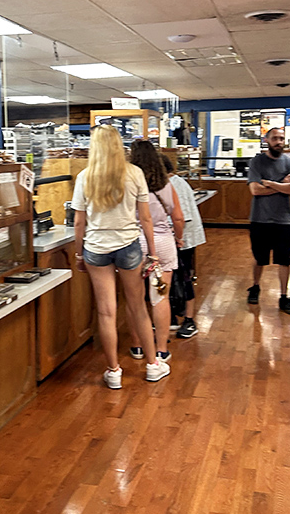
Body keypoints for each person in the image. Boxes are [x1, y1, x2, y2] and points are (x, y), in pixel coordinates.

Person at [72, 126, 170, 388]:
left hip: (96, 247)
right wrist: (153, 253)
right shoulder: (134, 173)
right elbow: (145, 218)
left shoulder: (84, 177)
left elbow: (79, 222)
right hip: (128, 246)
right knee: (138, 307)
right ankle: (152, 365)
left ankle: (113, 370)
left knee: (106, 312)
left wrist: (80, 254)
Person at [127, 141, 184, 362]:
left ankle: (137, 345)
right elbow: (178, 217)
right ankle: (161, 349)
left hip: (131, 242)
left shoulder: (127, 184)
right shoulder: (166, 186)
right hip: (162, 243)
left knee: (135, 299)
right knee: (160, 296)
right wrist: (178, 238)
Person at [246, 126, 290, 314]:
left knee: (284, 260)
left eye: (282, 138)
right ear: (267, 140)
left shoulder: (289, 163)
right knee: (259, 258)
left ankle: (284, 296)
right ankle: (255, 286)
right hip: (260, 219)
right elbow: (255, 190)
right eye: (275, 138)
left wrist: (269, 183)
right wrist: (282, 185)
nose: (279, 142)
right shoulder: (257, 162)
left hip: (283, 220)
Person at [161, 154, 206, 338]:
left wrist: (176, 239)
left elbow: (181, 218)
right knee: (173, 278)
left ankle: (189, 319)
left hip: (183, 239)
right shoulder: (168, 184)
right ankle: (171, 315)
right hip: (176, 238)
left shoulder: (176, 184)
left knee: (185, 277)